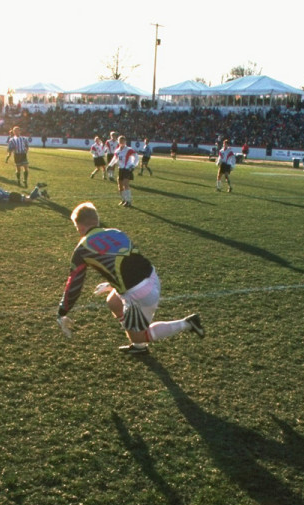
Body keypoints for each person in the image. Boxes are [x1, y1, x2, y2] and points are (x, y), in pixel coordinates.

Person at [56, 202, 204, 355]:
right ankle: (135, 335)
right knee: (113, 302)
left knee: (141, 336)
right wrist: (111, 284)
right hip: (151, 276)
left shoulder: (81, 249)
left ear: (79, 227)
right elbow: (128, 264)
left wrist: (62, 312)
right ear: (96, 221)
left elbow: (74, 285)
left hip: (139, 294)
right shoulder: (116, 232)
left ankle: (187, 324)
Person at [109, 136, 140, 207]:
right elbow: (115, 158)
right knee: (120, 185)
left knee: (125, 184)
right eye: (120, 141)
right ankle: (123, 199)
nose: (121, 142)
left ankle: (128, 201)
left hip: (127, 169)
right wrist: (110, 165)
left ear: (125, 141)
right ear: (118, 142)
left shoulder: (129, 149)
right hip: (121, 169)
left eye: (123, 141)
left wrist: (133, 165)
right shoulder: (117, 150)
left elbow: (136, 157)